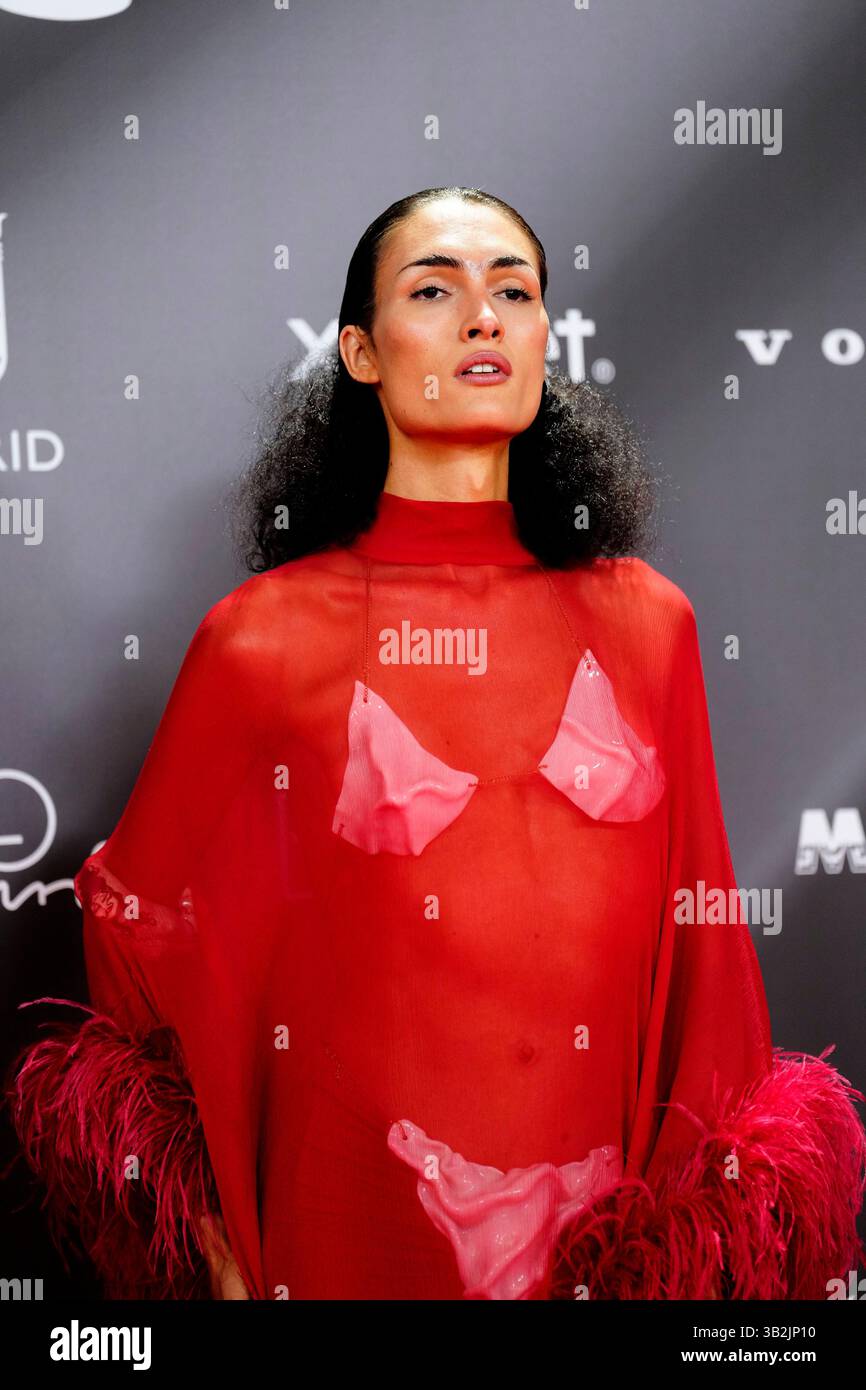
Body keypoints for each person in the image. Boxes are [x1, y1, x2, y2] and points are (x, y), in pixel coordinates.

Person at [5, 186, 865, 1301]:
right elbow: (136, 917)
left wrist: (702, 1243)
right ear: (360, 352)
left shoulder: (649, 623)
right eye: (434, 289)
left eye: (514, 289)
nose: (483, 316)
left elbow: (702, 949)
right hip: (341, 1239)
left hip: (599, 1250)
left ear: (545, 337)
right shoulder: (260, 635)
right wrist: (210, 1224)